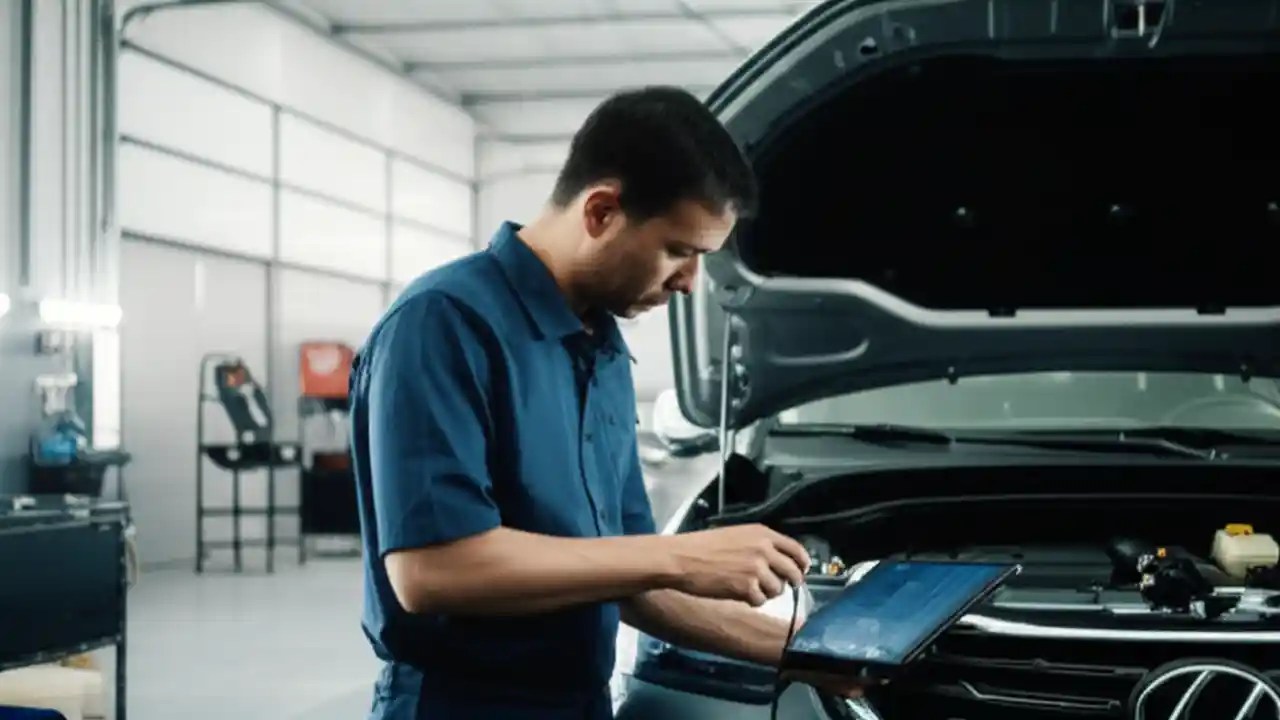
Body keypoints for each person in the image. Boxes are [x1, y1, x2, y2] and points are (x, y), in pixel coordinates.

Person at [349, 85, 862, 720]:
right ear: (601, 212)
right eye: (680, 250)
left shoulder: (603, 348)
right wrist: (680, 555)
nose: (688, 282)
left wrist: (806, 652)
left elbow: (630, 583)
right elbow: (431, 572)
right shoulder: (442, 324)